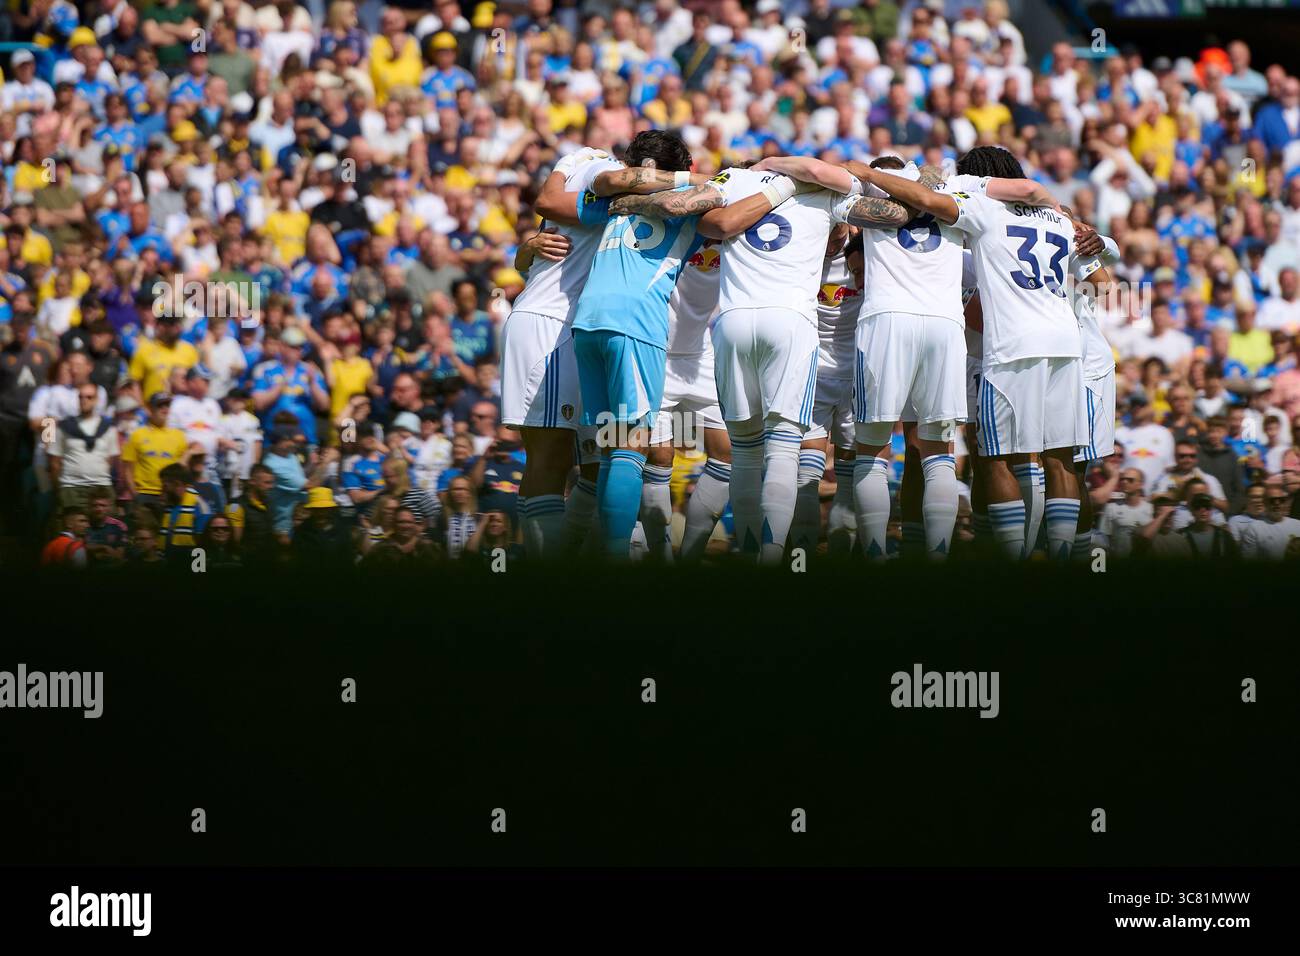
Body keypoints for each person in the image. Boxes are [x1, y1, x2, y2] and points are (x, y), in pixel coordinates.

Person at [859, 146, 1086, 560]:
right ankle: (1054, 553)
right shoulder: (1059, 218)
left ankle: (1005, 554)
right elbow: (1103, 277)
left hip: (999, 347)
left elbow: (926, 200)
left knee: (986, 456)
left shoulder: (979, 211)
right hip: (1062, 342)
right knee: (1051, 457)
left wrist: (859, 171)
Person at [49, 380, 120, 512]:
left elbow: (110, 461)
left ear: (97, 400)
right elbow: (54, 462)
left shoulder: (108, 426)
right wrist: (58, 489)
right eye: (80, 397)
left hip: (101, 486)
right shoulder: (63, 425)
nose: (84, 400)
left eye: (89, 397)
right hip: (71, 487)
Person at [120, 392, 189, 516]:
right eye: (160, 405)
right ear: (151, 408)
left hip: (168, 494)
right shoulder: (137, 435)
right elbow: (127, 470)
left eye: (167, 405)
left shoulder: (179, 436)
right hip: (144, 494)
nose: (164, 409)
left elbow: (181, 471)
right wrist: (136, 496)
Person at [292, 486, 359, 569]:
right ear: (311, 510)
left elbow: (348, 561)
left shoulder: (342, 531)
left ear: (331, 509)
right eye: (316, 509)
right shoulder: (302, 533)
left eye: (324, 509)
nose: (321, 513)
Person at [159, 462, 213, 565]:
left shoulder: (199, 505)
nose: (162, 488)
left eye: (165, 484)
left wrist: (199, 570)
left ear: (177, 484)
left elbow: (203, 544)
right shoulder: (170, 506)